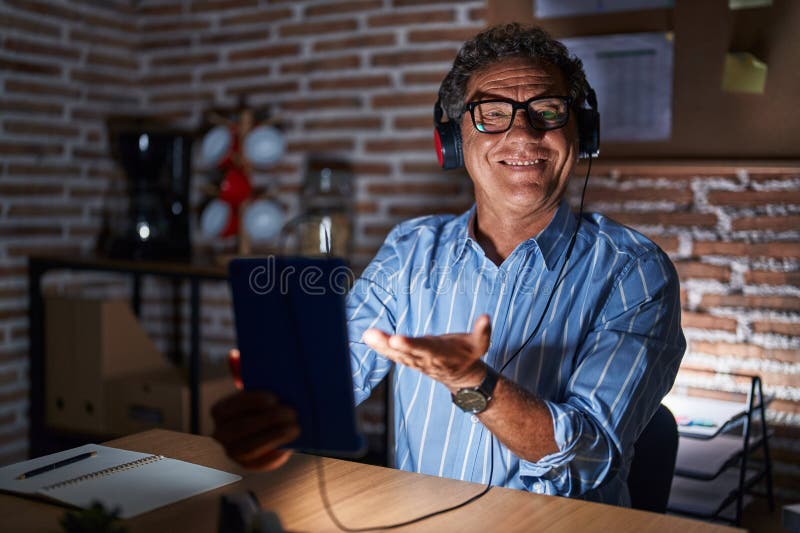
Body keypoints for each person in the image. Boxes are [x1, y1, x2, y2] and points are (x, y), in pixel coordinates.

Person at [212, 23, 686, 506]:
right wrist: (274, 420)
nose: (522, 133)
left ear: (581, 134)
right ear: (453, 140)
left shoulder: (634, 272)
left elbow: (592, 459)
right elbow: (333, 378)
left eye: (547, 111)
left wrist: (474, 382)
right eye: (492, 113)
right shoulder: (410, 249)